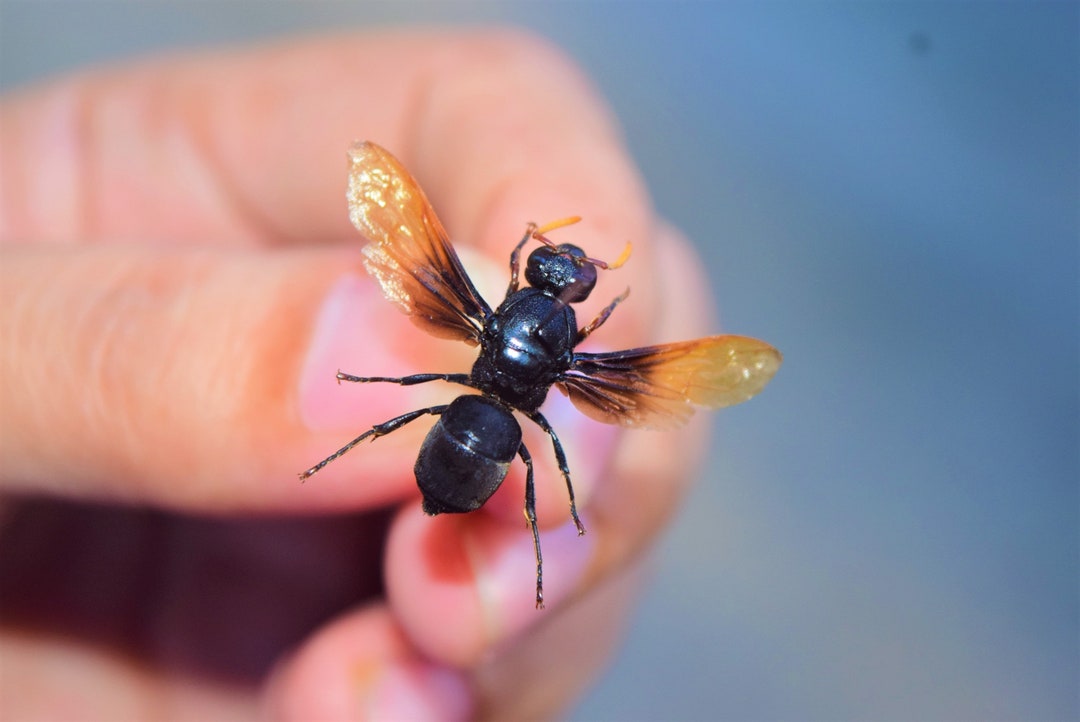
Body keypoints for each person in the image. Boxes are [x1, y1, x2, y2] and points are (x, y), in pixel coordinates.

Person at [0, 29, 715, 720]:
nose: (554, 269)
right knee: (547, 457)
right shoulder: (573, 357)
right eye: (558, 272)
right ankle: (525, 537)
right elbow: (569, 434)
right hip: (488, 433)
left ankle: (461, 499)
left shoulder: (499, 313)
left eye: (563, 273)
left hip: (472, 429)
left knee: (453, 420)